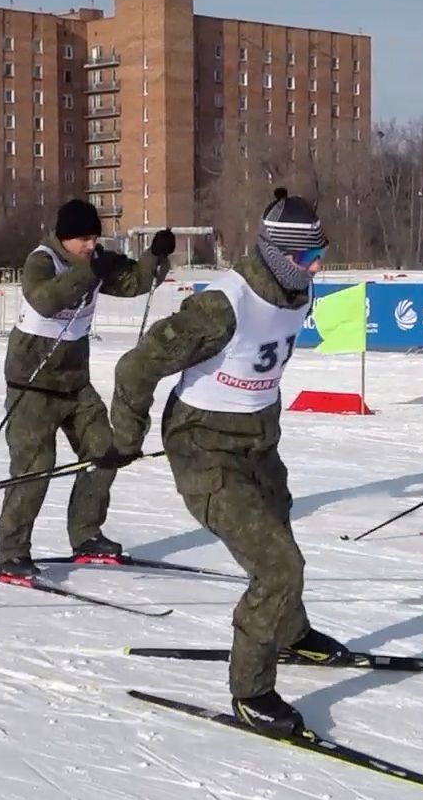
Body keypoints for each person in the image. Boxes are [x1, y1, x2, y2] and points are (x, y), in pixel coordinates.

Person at [105, 188, 349, 736]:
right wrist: (125, 435)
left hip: (258, 440)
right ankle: (252, 690)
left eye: (320, 255)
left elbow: (264, 369)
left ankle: (289, 632)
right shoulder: (223, 305)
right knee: (278, 565)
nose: (317, 266)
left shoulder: (296, 290)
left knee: (280, 531)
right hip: (204, 447)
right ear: (281, 254)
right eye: (308, 257)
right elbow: (136, 367)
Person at [0, 198, 175, 578]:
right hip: (33, 384)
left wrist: (155, 256)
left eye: (95, 237)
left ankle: (86, 535)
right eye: (83, 239)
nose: (91, 245)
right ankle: (12, 553)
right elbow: (44, 300)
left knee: (104, 453)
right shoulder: (42, 260)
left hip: (75, 383)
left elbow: (136, 282)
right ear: (64, 238)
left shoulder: (93, 260)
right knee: (34, 468)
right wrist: (89, 271)